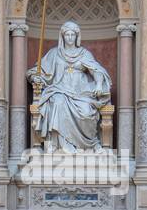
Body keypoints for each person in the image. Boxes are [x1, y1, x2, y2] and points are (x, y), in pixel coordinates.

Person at [28, 21, 112, 152]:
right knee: (57, 102)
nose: (70, 37)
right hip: (59, 89)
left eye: (73, 34)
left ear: (77, 36)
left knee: (86, 112)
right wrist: (36, 77)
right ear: (62, 36)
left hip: (81, 92)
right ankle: (58, 145)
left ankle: (90, 144)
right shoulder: (54, 53)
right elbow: (35, 71)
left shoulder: (84, 53)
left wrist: (100, 84)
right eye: (67, 34)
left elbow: (97, 70)